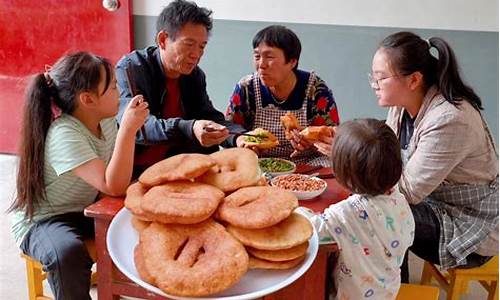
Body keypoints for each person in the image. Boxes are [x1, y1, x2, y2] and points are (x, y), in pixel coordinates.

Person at [316, 31, 499, 278]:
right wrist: (342, 143)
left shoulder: (451, 119)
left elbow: (406, 192)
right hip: (431, 201)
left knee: (376, 211)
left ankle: (384, 287)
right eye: (373, 77)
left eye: (380, 78)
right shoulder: (402, 106)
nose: (373, 84)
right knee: (374, 206)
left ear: (413, 80)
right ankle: (388, 282)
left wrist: (348, 155)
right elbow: (386, 158)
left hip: (469, 223)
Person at [8, 52, 148, 300]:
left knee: (141, 223)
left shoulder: (105, 122)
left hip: (83, 208)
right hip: (43, 221)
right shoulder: (64, 134)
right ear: (88, 99)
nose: (119, 93)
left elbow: (114, 183)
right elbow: (113, 184)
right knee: (67, 253)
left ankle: (115, 290)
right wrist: (128, 128)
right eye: (113, 87)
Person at [116, 0, 244, 176]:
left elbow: (207, 116)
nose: (196, 55)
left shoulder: (195, 75)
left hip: (179, 166)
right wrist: (189, 128)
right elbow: (139, 127)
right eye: (189, 44)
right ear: (163, 40)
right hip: (135, 169)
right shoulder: (131, 68)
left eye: (202, 46)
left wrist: (238, 137)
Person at [300, 118, 414, 299]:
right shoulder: (400, 201)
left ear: (342, 173)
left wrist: (296, 208)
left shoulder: (346, 214)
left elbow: (309, 229)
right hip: (387, 293)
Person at [225, 25, 340, 167]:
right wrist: (243, 141)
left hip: (308, 164)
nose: (261, 65)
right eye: (257, 56)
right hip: (260, 164)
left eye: (269, 57)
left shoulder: (316, 89)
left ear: (292, 62)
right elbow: (229, 130)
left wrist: (312, 142)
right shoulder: (246, 88)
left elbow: (333, 138)